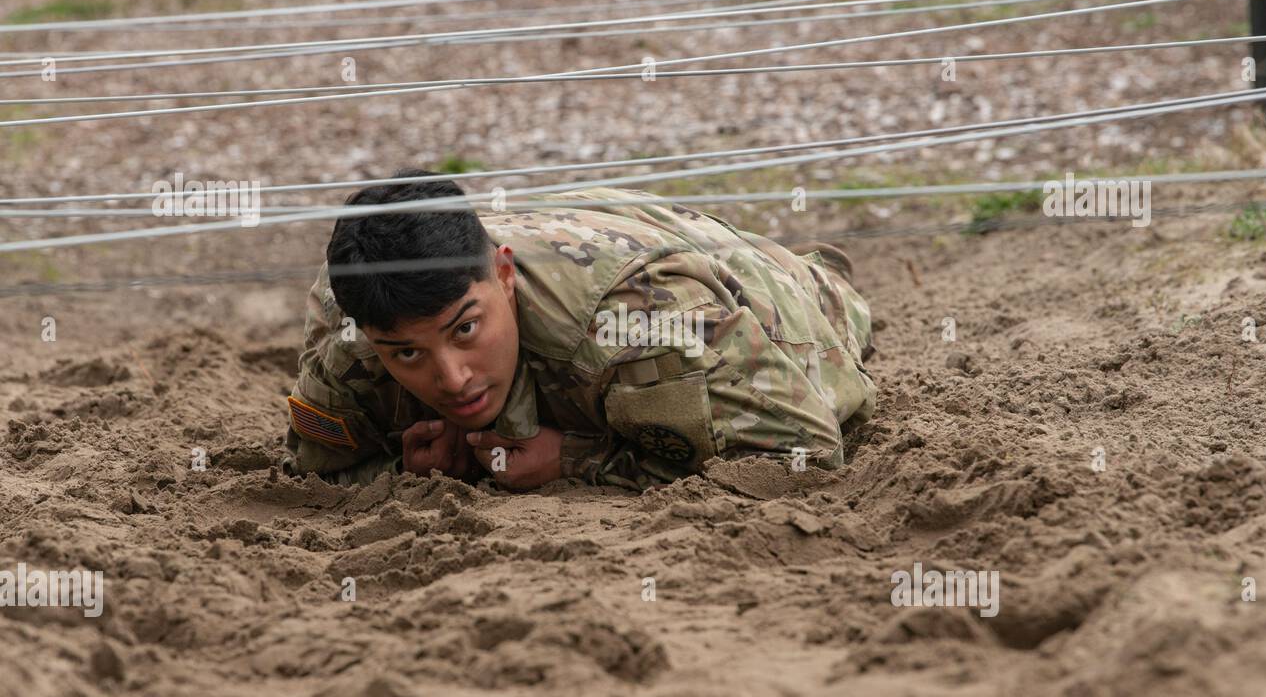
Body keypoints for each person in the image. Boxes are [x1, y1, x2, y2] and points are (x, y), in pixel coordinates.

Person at [283, 169, 878, 491]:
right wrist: (403, 475)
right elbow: (314, 470)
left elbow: (806, 454)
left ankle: (815, 268)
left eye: (465, 330)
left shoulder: (639, 319)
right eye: (407, 353)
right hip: (577, 230)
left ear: (505, 274)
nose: (450, 378)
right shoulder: (349, 327)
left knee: (820, 293)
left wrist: (579, 460)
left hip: (755, 278)